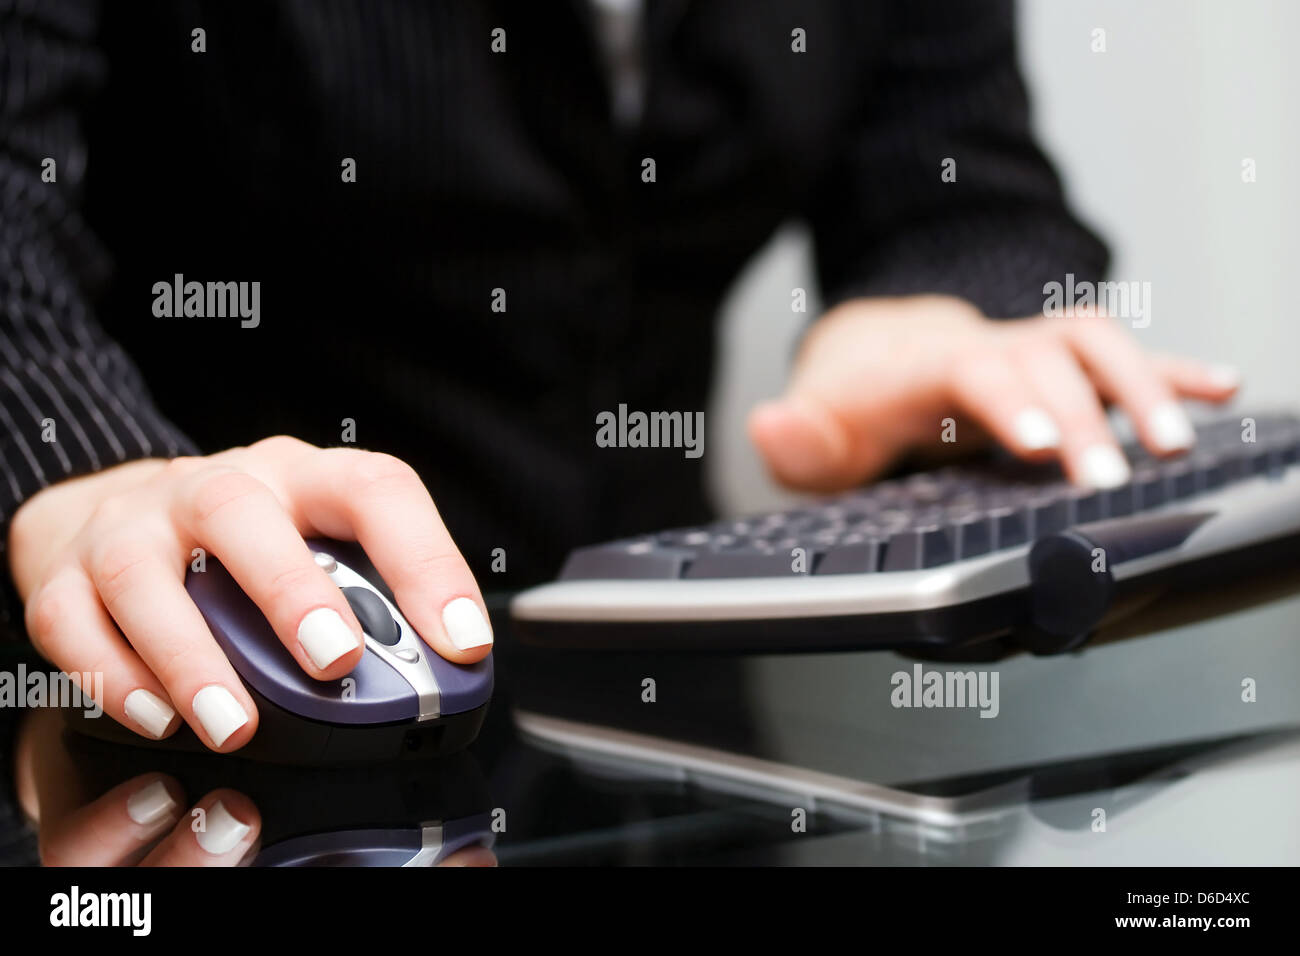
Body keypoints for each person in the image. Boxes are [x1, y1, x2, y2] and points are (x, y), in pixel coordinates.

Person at [0, 0, 1237, 756]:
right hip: (185, 684)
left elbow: (961, 176)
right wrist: (84, 456)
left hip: (672, 722)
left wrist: (933, 311)